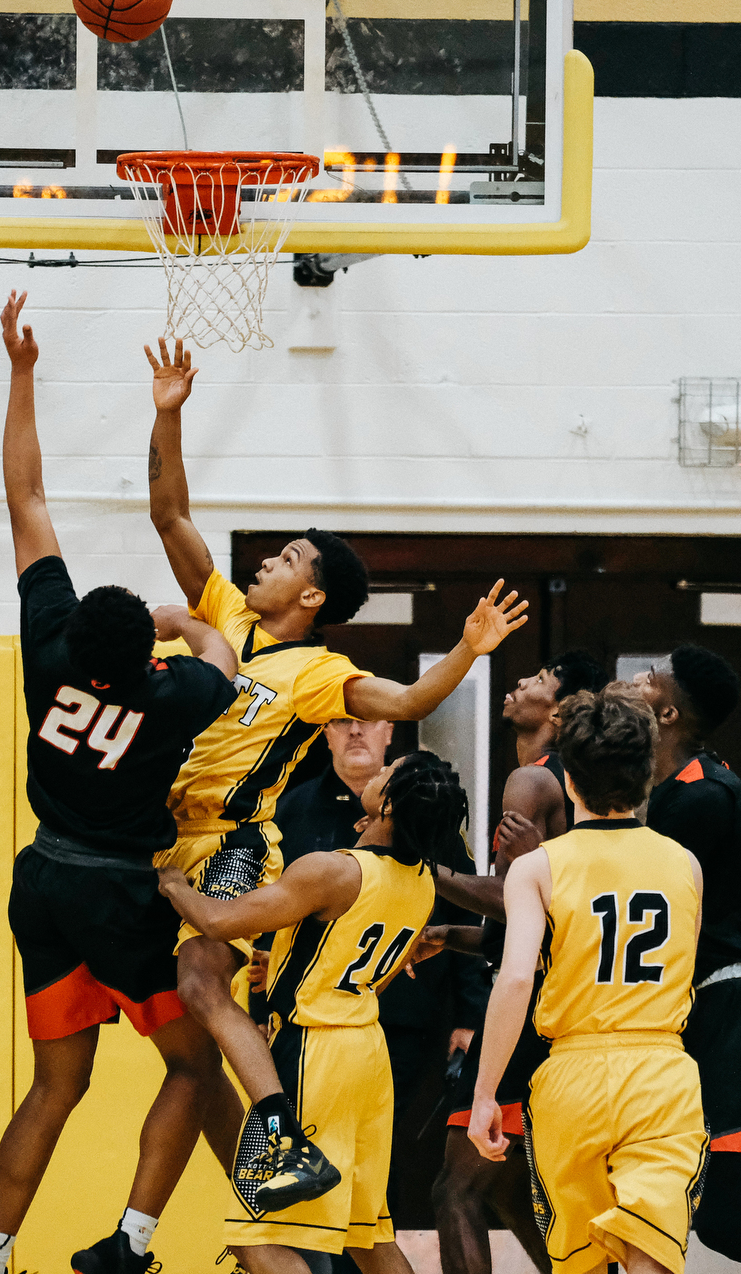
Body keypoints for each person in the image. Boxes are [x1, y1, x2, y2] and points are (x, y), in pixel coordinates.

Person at [144, 335, 528, 1209]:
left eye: (287, 559)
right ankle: (189, 1193)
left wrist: (467, 651)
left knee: (203, 977)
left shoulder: (318, 671)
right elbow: (170, 516)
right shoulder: (225, 614)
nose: (269, 561)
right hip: (165, 828)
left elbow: (402, 702)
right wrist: (167, 417)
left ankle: (277, 1134)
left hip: (234, 839)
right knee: (181, 1028)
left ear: (312, 598)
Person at [0, 293, 243, 1274]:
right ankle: (130, 1241)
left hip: (39, 880)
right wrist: (181, 621)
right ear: (149, 657)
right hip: (120, 894)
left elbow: (26, 500)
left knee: (53, 1085)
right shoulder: (172, 698)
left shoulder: (48, 647)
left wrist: (23, 370)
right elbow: (227, 653)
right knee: (193, 1064)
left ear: (79, 633)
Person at [159, 751, 469, 1274]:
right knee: (368, 1237)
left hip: (314, 1053)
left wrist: (174, 884)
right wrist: (277, 964)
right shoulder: (420, 883)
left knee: (257, 1239)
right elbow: (369, 967)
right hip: (368, 1057)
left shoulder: (333, 870)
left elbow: (217, 920)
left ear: (389, 806)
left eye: (388, 774)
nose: (378, 771)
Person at [469, 685, 707, 1274]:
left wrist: (484, 1093)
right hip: (659, 1070)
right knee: (650, 1253)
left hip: (570, 1074)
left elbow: (517, 977)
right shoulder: (686, 864)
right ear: (647, 773)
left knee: (578, 1264)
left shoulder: (536, 866)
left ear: (568, 781)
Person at [422, 652, 605, 1274]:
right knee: (499, 1185)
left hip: (529, 1009)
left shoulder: (530, 781)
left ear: (556, 709)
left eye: (541, 678)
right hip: (572, 1001)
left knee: (455, 1190)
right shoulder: (574, 782)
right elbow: (545, 922)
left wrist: (424, 873)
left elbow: (514, 899)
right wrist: (453, 935)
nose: (521, 680)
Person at [269, 718, 487, 1223]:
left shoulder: (427, 801)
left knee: (363, 1171)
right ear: (324, 734)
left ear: (389, 731)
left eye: (367, 722)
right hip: (307, 1019)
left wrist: (469, 1016)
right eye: (342, 722)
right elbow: (273, 909)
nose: (355, 733)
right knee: (315, 1176)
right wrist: (263, 1002)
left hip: (400, 1017)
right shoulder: (292, 805)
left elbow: (463, 916)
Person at [634, 646, 741, 1273]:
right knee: (704, 1209)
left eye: (651, 678)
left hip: (736, 997)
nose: (638, 676)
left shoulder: (698, 797)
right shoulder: (687, 784)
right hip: (727, 997)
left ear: (667, 713)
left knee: (720, 1213)